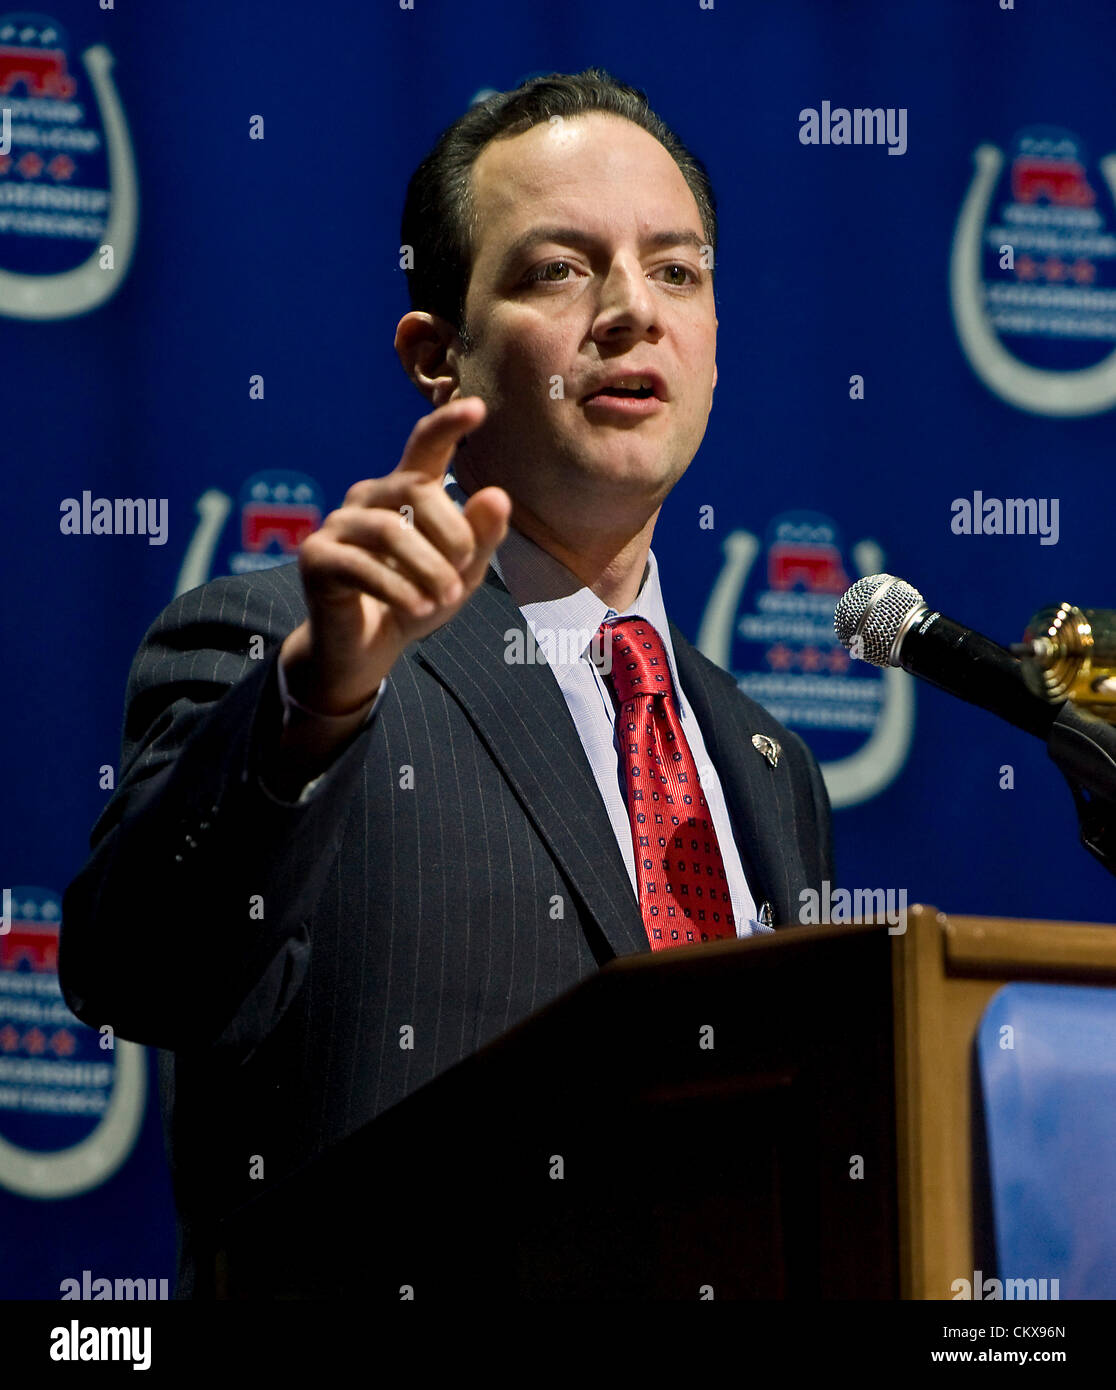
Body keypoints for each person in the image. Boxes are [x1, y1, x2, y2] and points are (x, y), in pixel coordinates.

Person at [60, 68, 833, 1297]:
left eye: (677, 270)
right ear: (439, 356)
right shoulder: (292, 651)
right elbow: (138, 971)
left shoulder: (763, 760)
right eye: (558, 270)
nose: (634, 311)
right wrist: (316, 705)